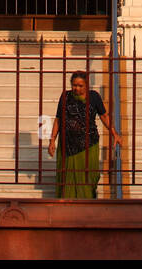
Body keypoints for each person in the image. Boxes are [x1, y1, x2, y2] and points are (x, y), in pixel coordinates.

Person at [48, 71, 120, 199]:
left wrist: (114, 133)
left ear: (87, 85)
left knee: (88, 176)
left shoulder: (94, 97)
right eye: (74, 85)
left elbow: (104, 116)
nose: (76, 88)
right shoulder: (65, 96)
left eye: (80, 86)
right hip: (68, 144)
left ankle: (87, 202)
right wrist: (52, 140)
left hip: (89, 144)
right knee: (67, 177)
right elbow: (58, 119)